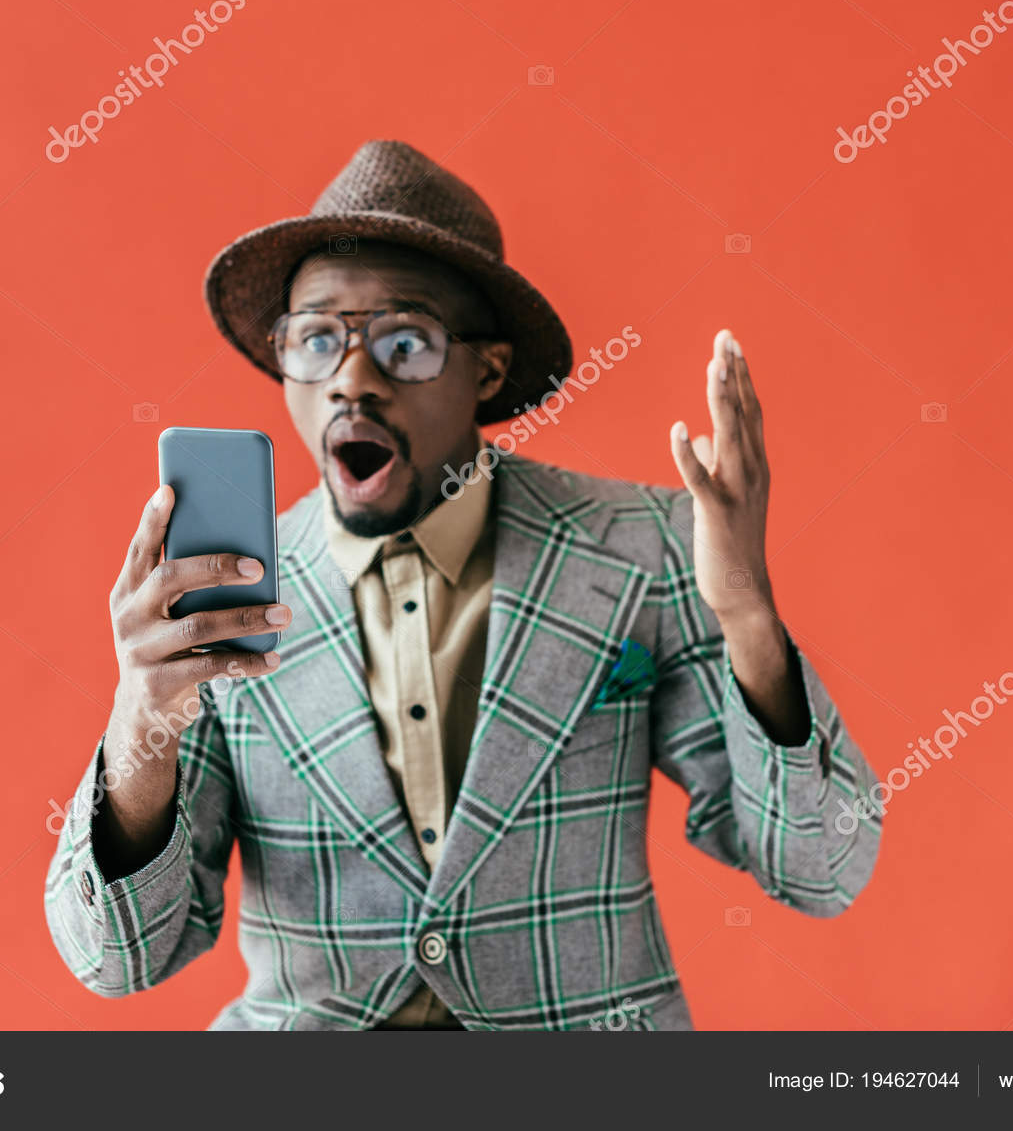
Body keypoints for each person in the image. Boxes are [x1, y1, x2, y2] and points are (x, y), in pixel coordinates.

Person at [43, 139, 882, 1030]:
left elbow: (822, 870)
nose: (351, 382)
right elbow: (117, 958)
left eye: (404, 343)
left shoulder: (646, 548)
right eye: (317, 340)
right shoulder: (223, 598)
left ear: (486, 370)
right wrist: (143, 716)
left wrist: (747, 613)